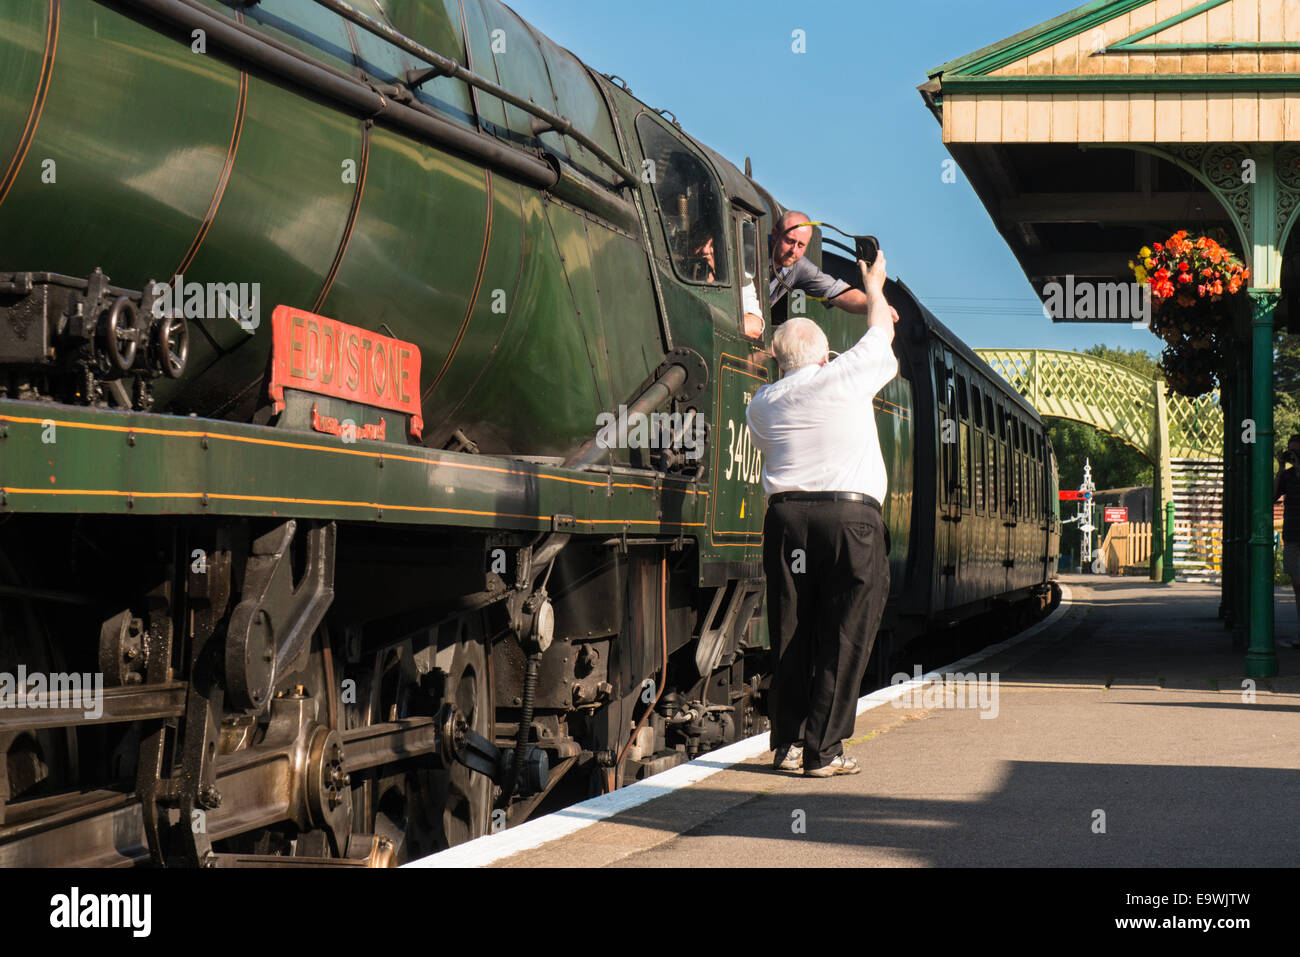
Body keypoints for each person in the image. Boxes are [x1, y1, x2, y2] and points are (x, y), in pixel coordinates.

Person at [745, 251, 898, 776]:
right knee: (846, 633)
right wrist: (873, 286)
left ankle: (787, 744)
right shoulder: (843, 378)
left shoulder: (761, 405)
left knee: (789, 630)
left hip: (787, 521)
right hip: (850, 523)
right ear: (825, 355)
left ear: (778, 359)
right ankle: (823, 751)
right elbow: (881, 329)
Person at [1273, 433, 1300, 649]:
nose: (1294, 455)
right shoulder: (1288, 476)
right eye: (1292, 451)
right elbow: (1272, 496)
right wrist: (1281, 468)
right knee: (1297, 585)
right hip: (1292, 534)